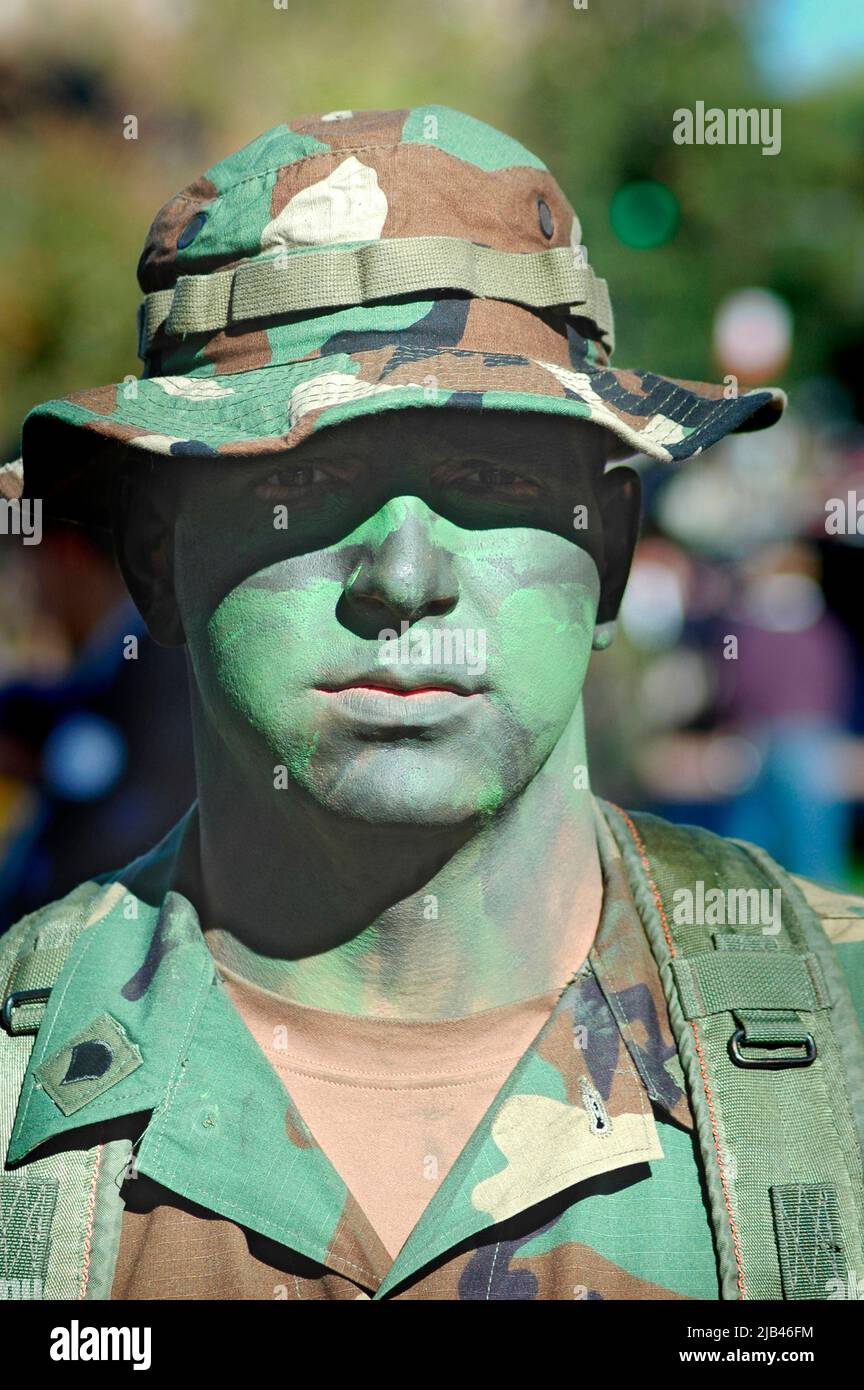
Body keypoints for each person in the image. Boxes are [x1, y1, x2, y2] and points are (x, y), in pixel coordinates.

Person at [1, 105, 862, 1303]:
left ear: (607, 551)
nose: (407, 576)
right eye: (301, 480)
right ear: (161, 564)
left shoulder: (845, 1047)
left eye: (494, 475)